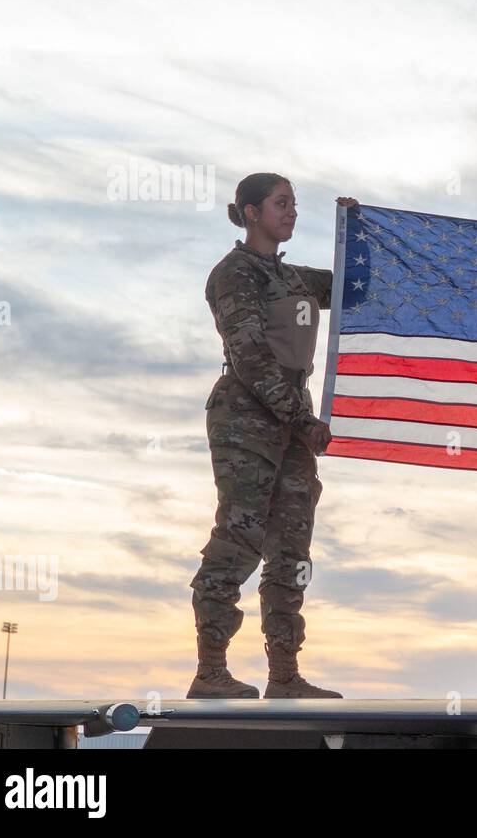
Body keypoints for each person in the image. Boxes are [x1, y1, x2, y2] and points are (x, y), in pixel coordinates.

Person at [187, 173, 357, 699]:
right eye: (281, 204)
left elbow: (355, 282)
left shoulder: (296, 280)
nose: (292, 212)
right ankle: (210, 669)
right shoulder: (234, 275)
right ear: (251, 212)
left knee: (291, 549)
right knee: (240, 536)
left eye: (295, 204)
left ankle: (284, 675)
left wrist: (358, 231)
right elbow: (251, 358)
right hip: (247, 414)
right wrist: (301, 421)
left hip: (292, 419)